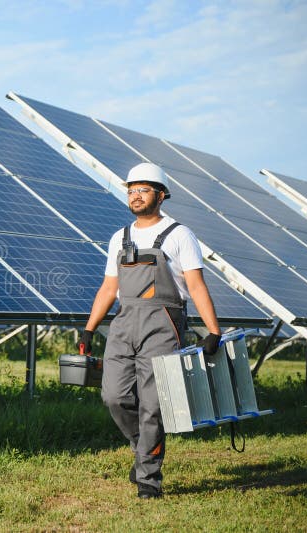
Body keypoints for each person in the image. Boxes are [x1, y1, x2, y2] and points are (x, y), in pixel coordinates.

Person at [79, 162, 222, 499]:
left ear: (161, 195)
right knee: (113, 396)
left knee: (153, 404)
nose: (135, 196)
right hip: (124, 322)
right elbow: (108, 288)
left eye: (143, 190)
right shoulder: (120, 237)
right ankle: (143, 449)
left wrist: (213, 331)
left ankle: (148, 479)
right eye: (131, 190)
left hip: (164, 324)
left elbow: (197, 287)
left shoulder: (180, 235)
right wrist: (88, 329)